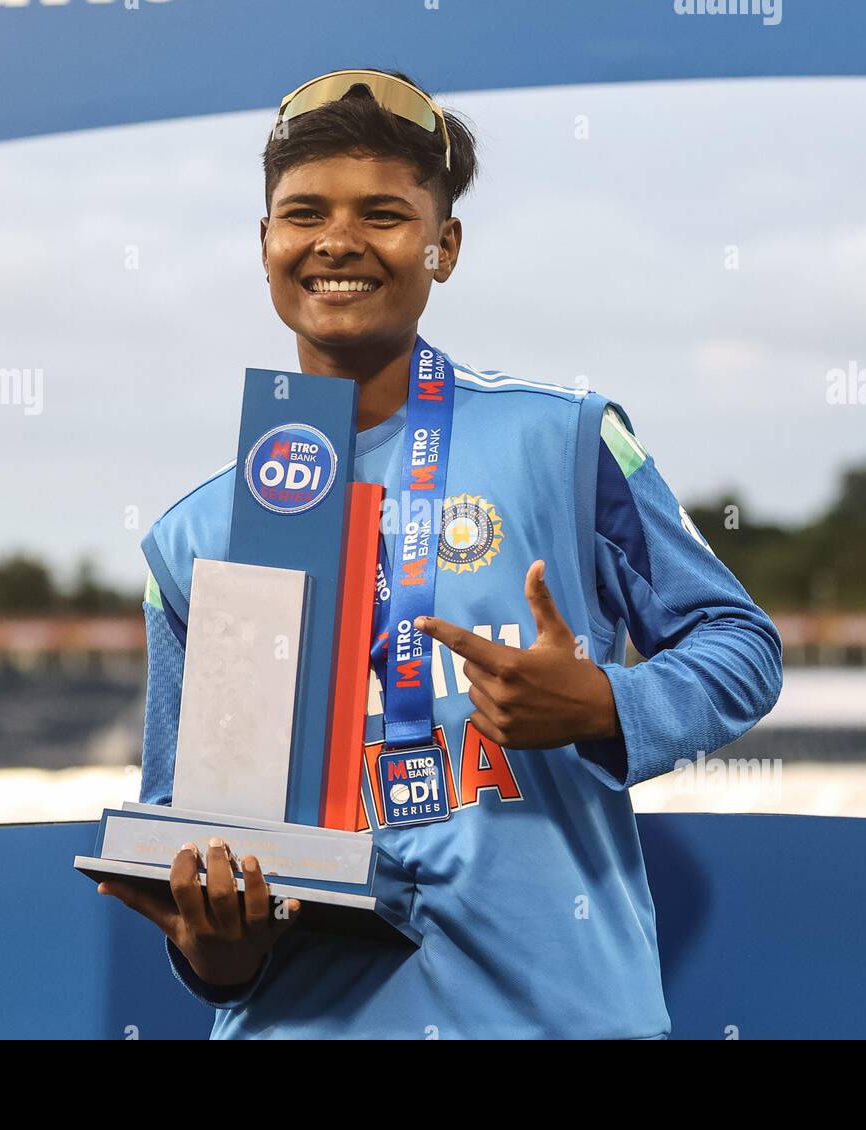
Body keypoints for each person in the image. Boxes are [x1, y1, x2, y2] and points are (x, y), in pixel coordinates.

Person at [99, 68, 783, 1039]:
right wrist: (214, 940)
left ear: (443, 245)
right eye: (303, 213)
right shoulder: (196, 534)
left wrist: (603, 703)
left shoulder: (566, 437)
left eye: (383, 213)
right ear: (265, 245)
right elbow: (196, 857)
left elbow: (738, 646)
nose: (337, 240)